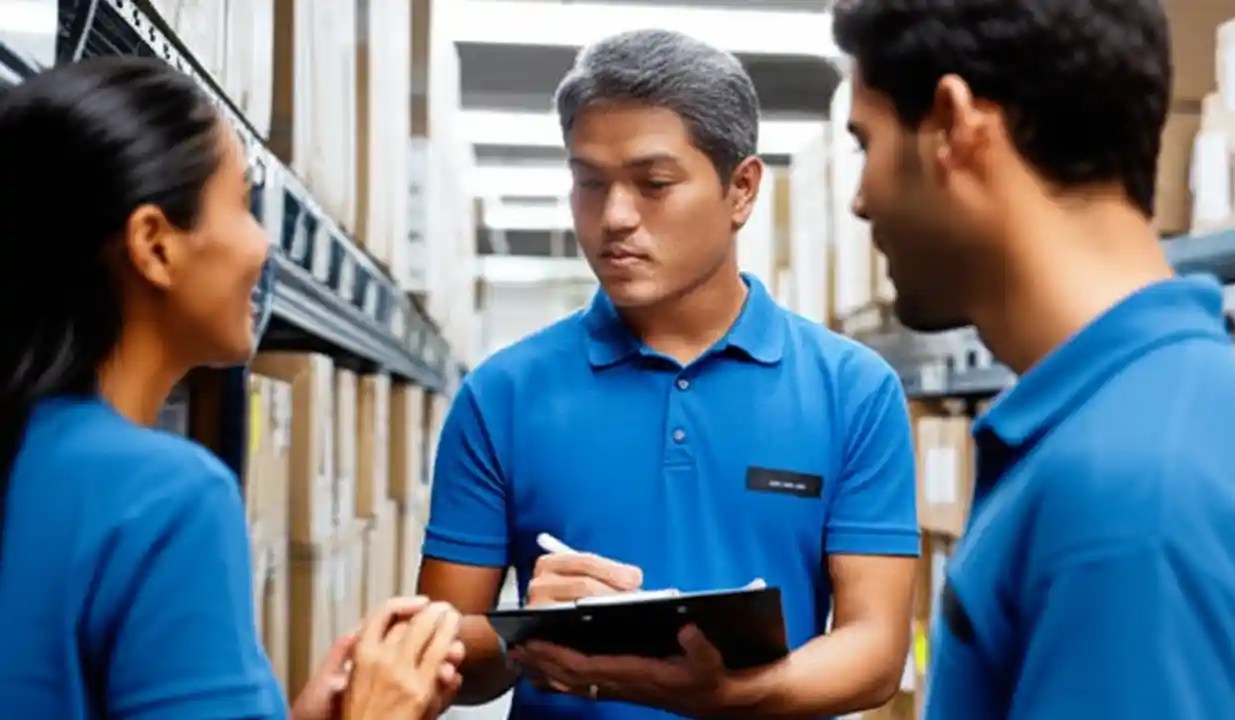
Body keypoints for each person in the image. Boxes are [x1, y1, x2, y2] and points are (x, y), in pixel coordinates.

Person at [418, 28, 920, 719]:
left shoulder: (854, 392)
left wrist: (730, 696)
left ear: (740, 190)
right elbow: (439, 657)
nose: (614, 218)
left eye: (653, 184)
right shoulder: (500, 395)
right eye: (589, 183)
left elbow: (876, 650)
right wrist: (524, 632)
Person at [831, 0, 1235, 717]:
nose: (860, 199)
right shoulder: (1173, 413)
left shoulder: (1128, 500)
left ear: (952, 125)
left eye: (866, 143)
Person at [0, 56, 464, 719]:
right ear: (155, 245)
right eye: (244, 204)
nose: (264, 244)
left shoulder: (37, 457)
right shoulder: (163, 496)